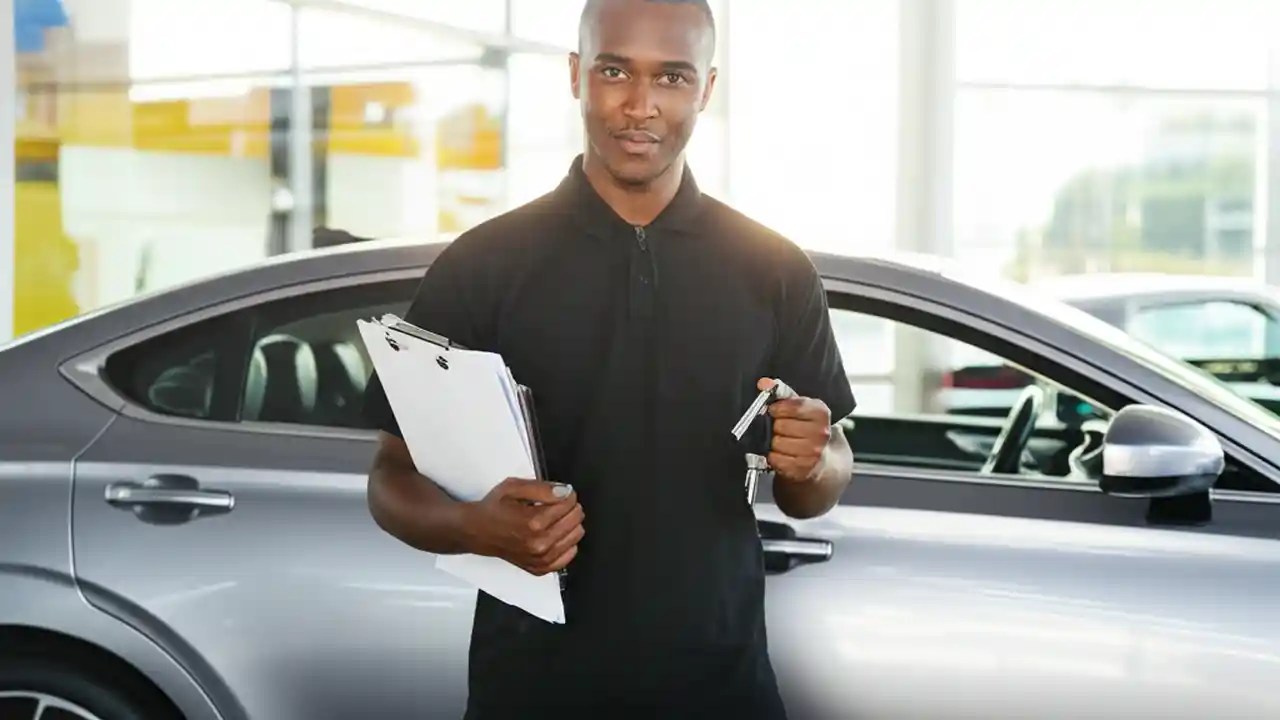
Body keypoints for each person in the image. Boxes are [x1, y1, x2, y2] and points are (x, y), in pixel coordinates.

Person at [361, 0, 856, 716]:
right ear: (575, 75)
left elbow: (821, 478)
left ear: (707, 90)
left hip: (722, 690)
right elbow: (389, 480)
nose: (639, 106)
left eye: (673, 78)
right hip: (532, 693)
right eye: (615, 71)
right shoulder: (484, 265)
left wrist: (813, 461)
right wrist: (476, 528)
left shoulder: (773, 268)